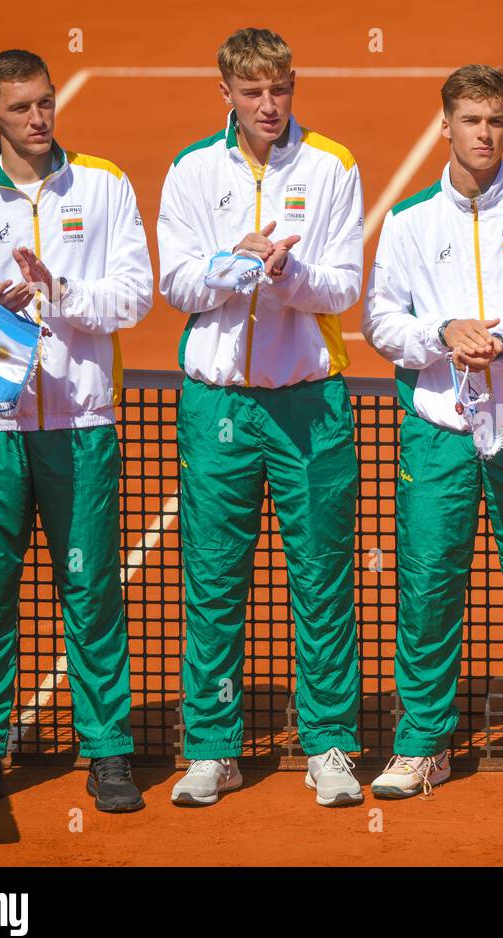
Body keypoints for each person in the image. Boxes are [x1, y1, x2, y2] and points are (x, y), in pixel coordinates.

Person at [0, 49, 153, 815]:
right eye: (20, 107)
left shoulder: (106, 185)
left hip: (81, 424)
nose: (39, 118)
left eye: (46, 102)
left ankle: (108, 751)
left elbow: (134, 297)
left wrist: (60, 290)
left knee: (91, 591)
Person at [363, 65, 503, 800]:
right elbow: (380, 322)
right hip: (439, 430)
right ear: (446, 126)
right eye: (470, 120)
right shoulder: (408, 222)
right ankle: (423, 743)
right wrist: (441, 331)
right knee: (429, 585)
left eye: (495, 121)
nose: (483, 134)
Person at [157, 27, 365, 807]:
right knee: (213, 578)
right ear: (227, 95)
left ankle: (332, 746)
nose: (269, 105)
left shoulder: (332, 165)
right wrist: (232, 264)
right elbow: (176, 284)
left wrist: (289, 273)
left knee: (322, 577)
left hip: (309, 400)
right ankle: (213, 749)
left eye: (280, 89)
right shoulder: (190, 171)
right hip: (217, 406)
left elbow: (343, 286)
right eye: (253, 92)